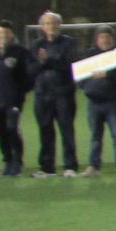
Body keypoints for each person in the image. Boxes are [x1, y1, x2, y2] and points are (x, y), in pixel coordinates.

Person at [0, 21, 34, 178]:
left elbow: (30, 75)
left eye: (7, 33)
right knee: (1, 131)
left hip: (14, 101)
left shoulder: (21, 52)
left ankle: (17, 162)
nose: (3, 36)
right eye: (0, 33)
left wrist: (20, 91)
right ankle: (8, 161)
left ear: (12, 35)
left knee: (12, 128)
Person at [31, 11, 81, 177]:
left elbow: (69, 66)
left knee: (66, 130)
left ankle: (70, 166)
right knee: (45, 131)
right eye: (47, 23)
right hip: (42, 94)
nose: (51, 26)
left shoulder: (68, 43)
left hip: (63, 94)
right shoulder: (36, 44)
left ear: (59, 25)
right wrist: (41, 63)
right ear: (42, 27)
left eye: (53, 23)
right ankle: (47, 167)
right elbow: (31, 70)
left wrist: (48, 61)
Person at [82, 26, 116, 174]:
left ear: (113, 39)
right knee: (95, 136)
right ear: (97, 39)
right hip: (94, 102)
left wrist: (107, 74)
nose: (105, 40)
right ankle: (93, 165)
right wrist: (86, 87)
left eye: (108, 37)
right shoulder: (89, 55)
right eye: (102, 37)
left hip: (112, 101)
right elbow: (81, 75)